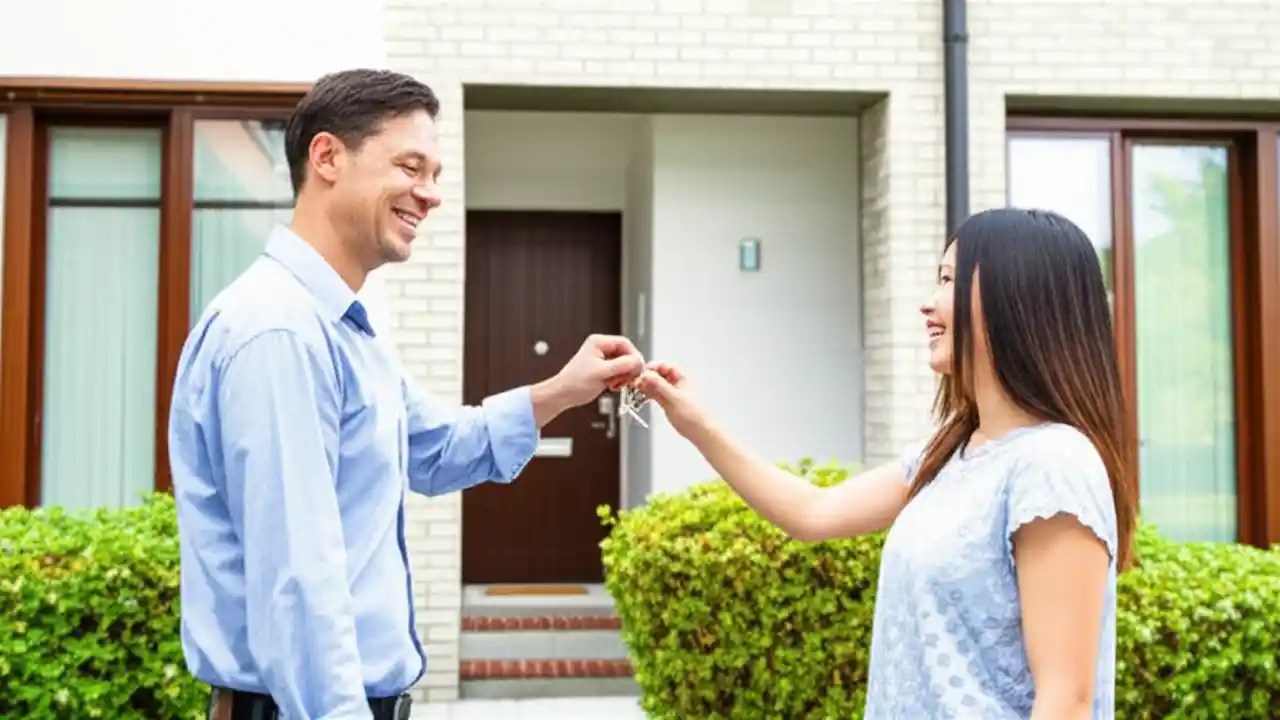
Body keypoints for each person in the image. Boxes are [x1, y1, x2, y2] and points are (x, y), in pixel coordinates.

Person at [167, 69, 644, 720]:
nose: (431, 194)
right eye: (410, 167)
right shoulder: (280, 333)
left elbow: (437, 449)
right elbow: (298, 584)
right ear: (327, 157)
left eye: (436, 174)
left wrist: (561, 391)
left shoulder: (339, 328)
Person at [633, 207, 1136, 719]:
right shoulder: (953, 450)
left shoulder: (1052, 465)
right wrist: (697, 424)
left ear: (1018, 298)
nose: (928, 302)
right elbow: (813, 513)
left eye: (949, 280)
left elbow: (1066, 701)